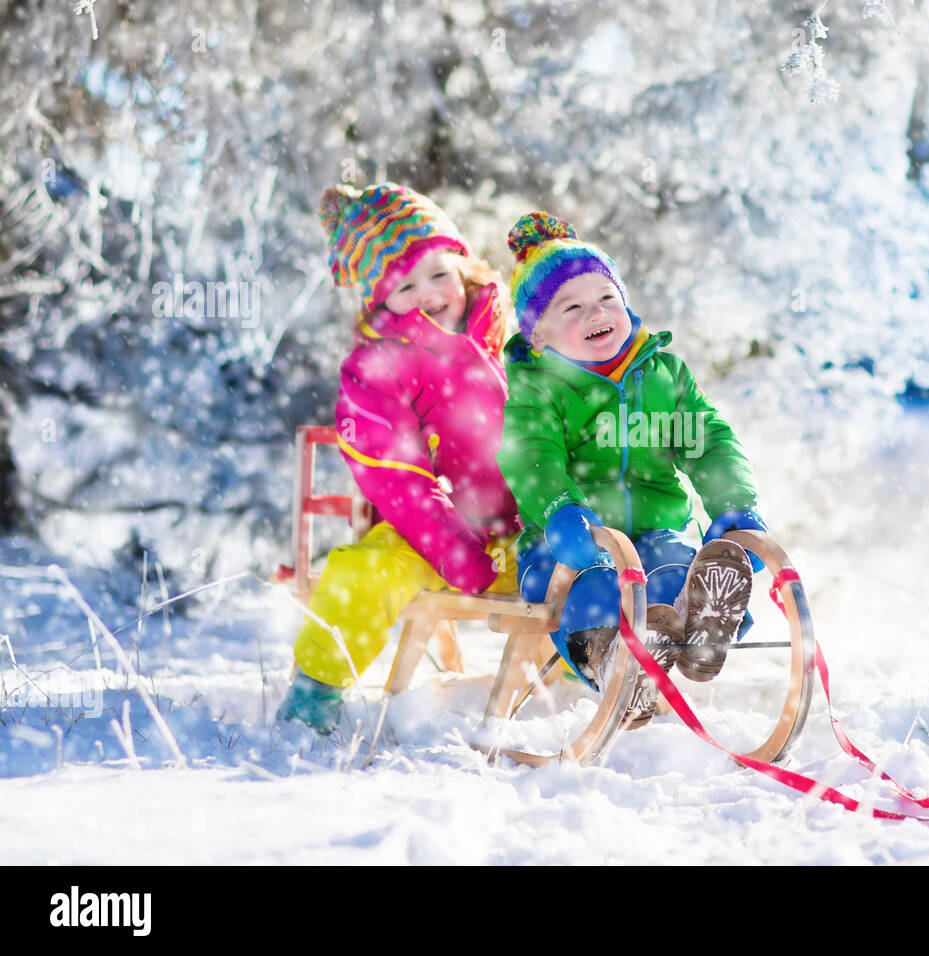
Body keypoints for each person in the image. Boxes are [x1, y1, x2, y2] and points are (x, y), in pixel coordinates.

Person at [497, 212, 768, 727]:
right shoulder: (538, 388)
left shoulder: (663, 375)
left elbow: (708, 439)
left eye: (606, 298)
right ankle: (613, 660)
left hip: (655, 530)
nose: (595, 312)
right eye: (571, 306)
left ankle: (699, 627)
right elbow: (529, 452)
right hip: (567, 542)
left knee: (673, 569)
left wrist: (735, 503)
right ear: (539, 336)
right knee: (593, 589)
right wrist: (558, 509)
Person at [278, 183, 521, 735]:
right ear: (378, 301)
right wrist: (454, 546)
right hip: (426, 538)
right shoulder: (377, 367)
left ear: (463, 266)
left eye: (438, 272)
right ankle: (315, 692)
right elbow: (394, 475)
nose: (429, 292)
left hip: (520, 533)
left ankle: (591, 666)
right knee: (360, 574)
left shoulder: (510, 343)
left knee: (589, 560)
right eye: (405, 285)